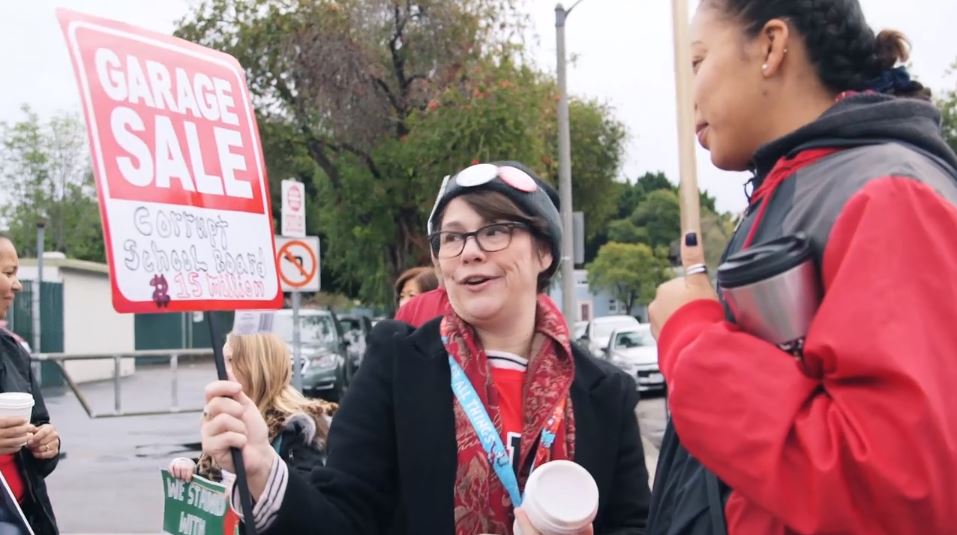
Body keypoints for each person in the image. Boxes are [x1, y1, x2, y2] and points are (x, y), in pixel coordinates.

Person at [201, 161, 651, 534]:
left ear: (544, 251)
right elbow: (344, 515)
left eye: (495, 231)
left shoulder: (604, 391)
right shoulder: (398, 366)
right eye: (451, 238)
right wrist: (262, 469)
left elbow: (634, 523)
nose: (469, 252)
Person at [646, 1, 957, 534]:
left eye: (697, 62)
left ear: (771, 46)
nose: (689, 94)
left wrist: (693, 339)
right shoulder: (805, 186)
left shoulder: (889, 193)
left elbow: (897, 491)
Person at [169, 333, 336, 483]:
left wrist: (241, 492)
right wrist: (191, 466)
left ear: (256, 366)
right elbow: (218, 472)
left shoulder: (300, 428)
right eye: (222, 361)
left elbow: (304, 494)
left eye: (230, 361)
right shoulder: (231, 415)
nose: (222, 371)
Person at [0, 236, 60, 535]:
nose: (18, 285)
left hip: (25, 519)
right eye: (8, 273)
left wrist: (47, 445)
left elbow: (40, 423)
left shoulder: (14, 351)